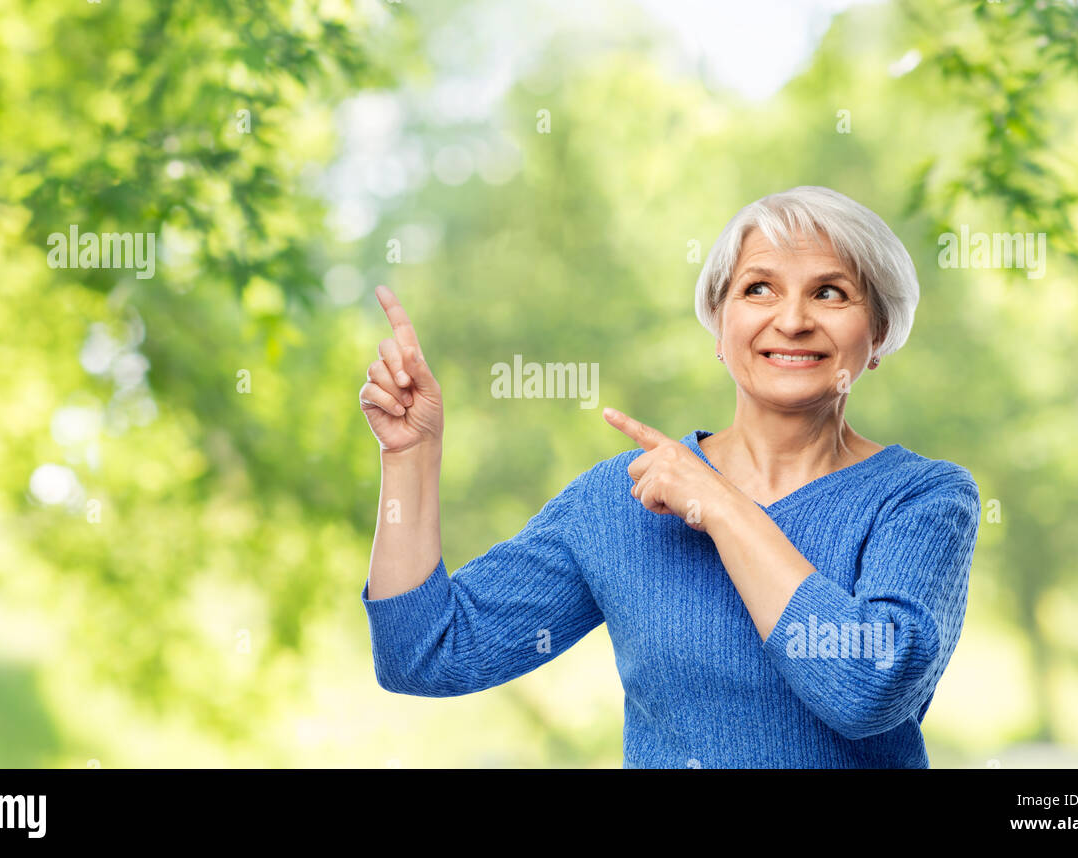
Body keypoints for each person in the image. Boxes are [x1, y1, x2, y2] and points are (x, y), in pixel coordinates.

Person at [358, 185, 981, 768]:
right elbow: (425, 654)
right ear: (719, 322)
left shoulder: (924, 499)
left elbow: (868, 689)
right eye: (759, 288)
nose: (792, 320)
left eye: (830, 293)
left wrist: (721, 505)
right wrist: (410, 457)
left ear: (878, 334)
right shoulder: (625, 496)